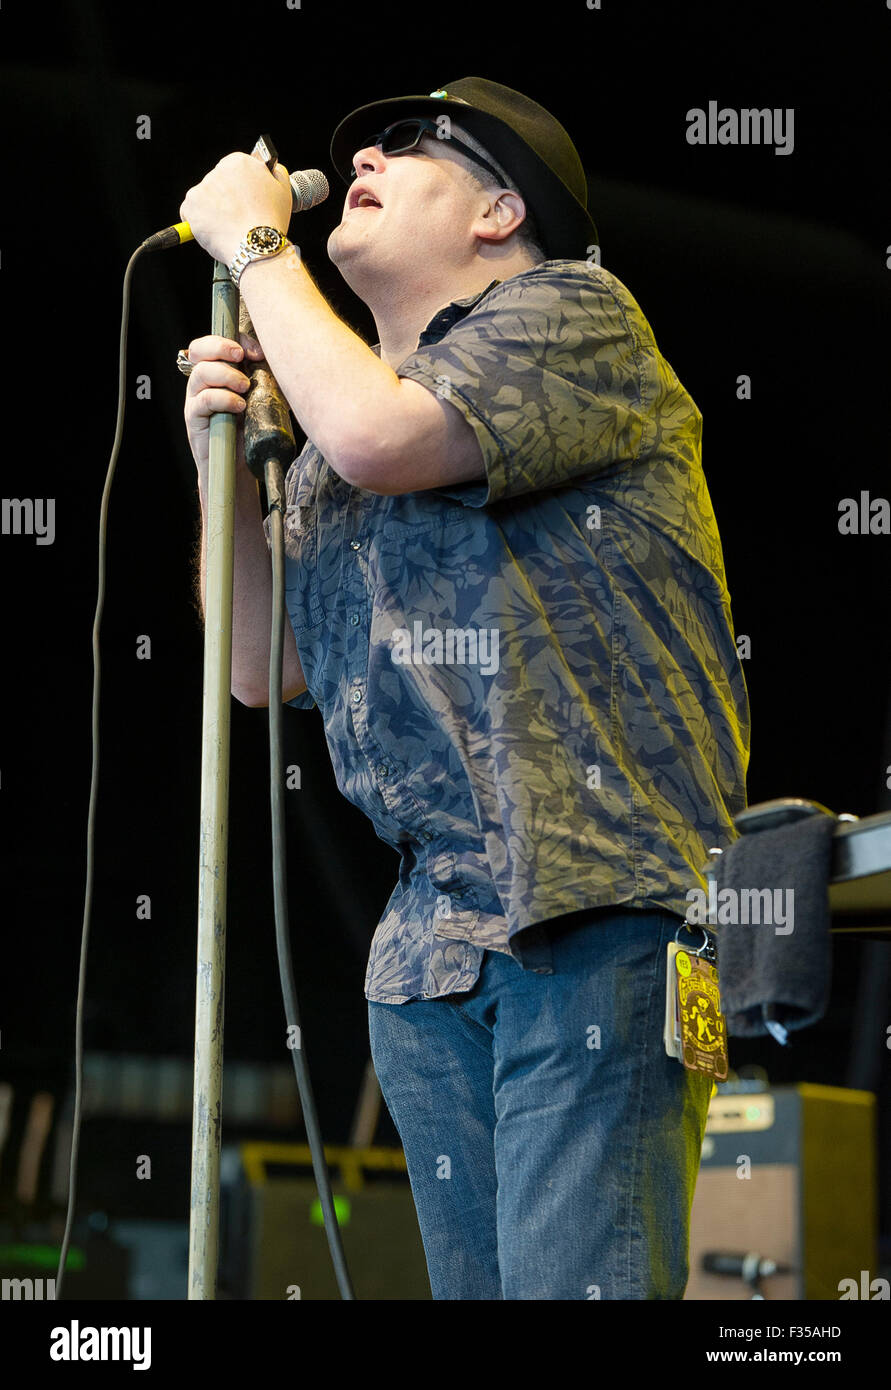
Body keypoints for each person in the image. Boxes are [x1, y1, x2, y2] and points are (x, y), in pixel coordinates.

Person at [180, 77, 751, 1300]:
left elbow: (384, 435)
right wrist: (218, 460)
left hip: (594, 906)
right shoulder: (343, 437)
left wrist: (262, 249)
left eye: (410, 145)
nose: (364, 157)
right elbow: (260, 665)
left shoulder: (575, 314)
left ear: (500, 210)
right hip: (427, 951)